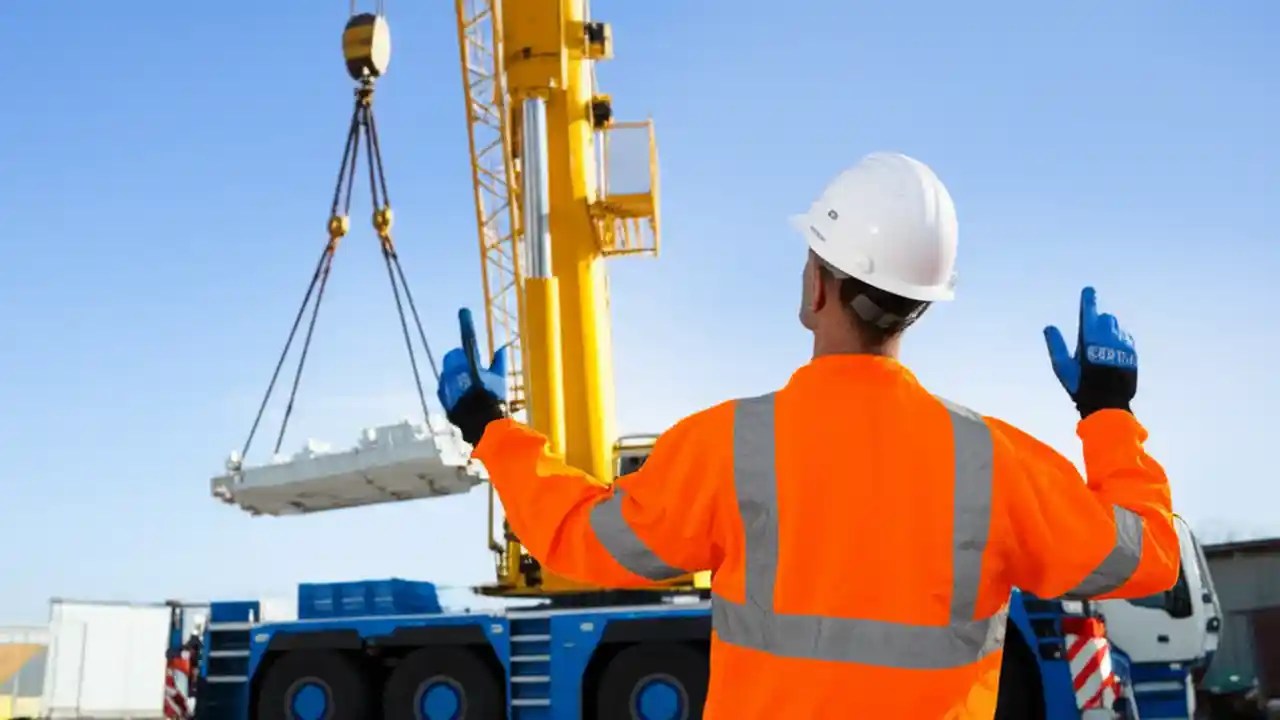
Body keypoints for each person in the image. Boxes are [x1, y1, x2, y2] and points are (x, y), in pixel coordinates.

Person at [435, 151, 1179, 719]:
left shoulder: (728, 448)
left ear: (817, 285)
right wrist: (1107, 412)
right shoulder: (996, 465)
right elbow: (1151, 558)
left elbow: (572, 535)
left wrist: (488, 426)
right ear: (920, 306)